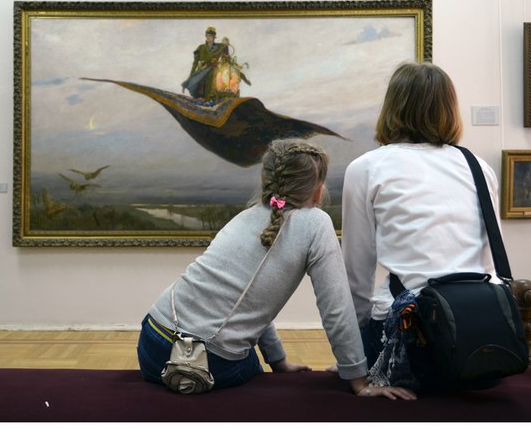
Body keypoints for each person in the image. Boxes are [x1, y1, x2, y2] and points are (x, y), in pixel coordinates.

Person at [137, 138, 416, 400]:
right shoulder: (316, 223)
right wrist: (359, 381)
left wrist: (278, 360)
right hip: (205, 362)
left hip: (151, 340)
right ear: (317, 189)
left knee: (244, 354)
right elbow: (337, 310)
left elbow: (249, 300)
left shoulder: (244, 216)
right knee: (248, 363)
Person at [341, 61, 500, 391]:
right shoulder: (478, 166)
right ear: (449, 109)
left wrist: (356, 358)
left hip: (409, 343)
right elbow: (489, 262)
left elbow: (357, 274)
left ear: (392, 107)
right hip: (483, 343)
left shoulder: (367, 168)